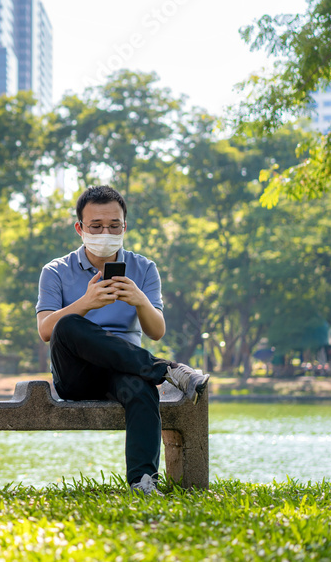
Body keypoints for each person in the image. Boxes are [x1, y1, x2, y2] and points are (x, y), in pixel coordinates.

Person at [35, 185, 209, 496]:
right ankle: (166, 369)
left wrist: (141, 300)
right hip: (76, 375)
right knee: (68, 324)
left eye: (114, 226)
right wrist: (85, 302)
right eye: (96, 226)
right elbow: (46, 330)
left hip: (125, 371)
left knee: (142, 389)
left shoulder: (143, 268)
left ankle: (143, 483)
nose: (106, 232)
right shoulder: (56, 271)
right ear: (80, 228)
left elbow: (156, 331)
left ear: (124, 226)